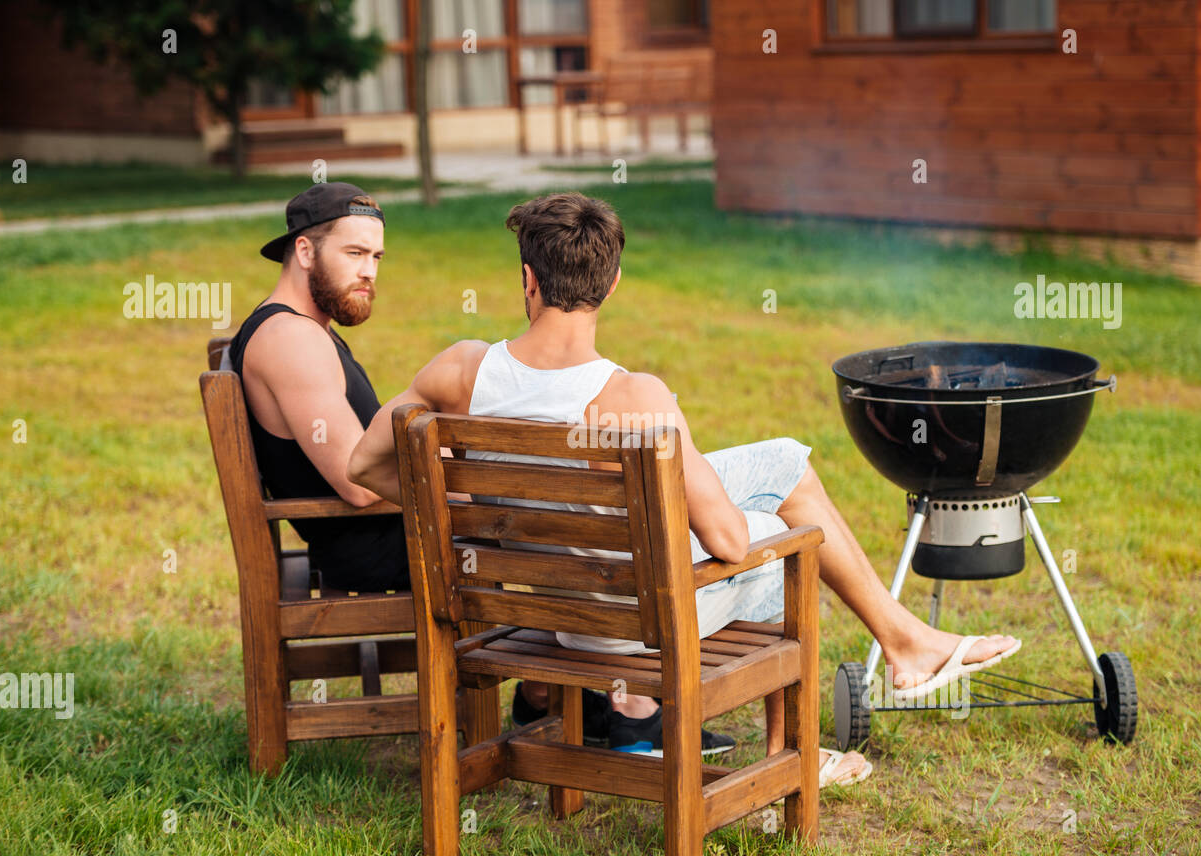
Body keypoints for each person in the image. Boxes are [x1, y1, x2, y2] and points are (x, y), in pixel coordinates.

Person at [348, 192, 1021, 785]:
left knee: (783, 461)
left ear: (527, 280)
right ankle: (794, 748)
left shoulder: (458, 371)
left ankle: (903, 641)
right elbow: (725, 538)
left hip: (552, 609)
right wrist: (752, 524)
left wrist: (471, 511)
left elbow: (365, 465)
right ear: (611, 286)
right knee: (781, 535)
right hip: (633, 628)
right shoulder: (637, 398)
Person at [226, 181, 407, 593]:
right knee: (534, 529)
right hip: (377, 552)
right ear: (306, 252)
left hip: (387, 536)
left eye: (376, 256)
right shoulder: (292, 339)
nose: (370, 271)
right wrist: (460, 478)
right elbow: (358, 485)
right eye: (355, 253)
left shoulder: (300, 330)